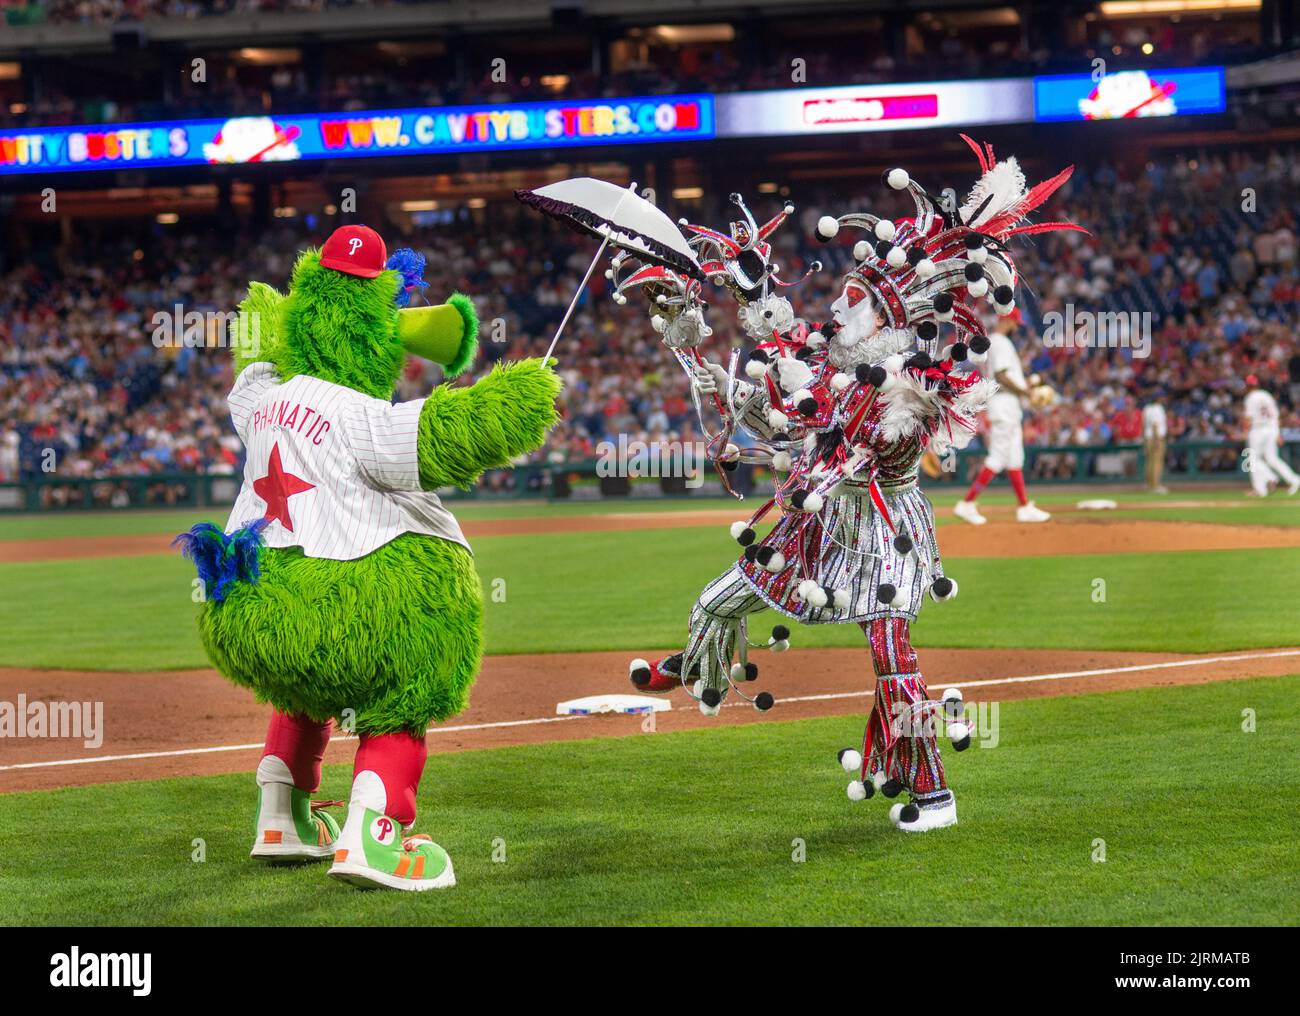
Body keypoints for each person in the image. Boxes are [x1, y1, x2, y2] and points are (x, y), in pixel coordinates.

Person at [621, 142, 1083, 832]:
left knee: (894, 661)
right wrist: (729, 315)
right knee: (718, 601)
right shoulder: (845, 358)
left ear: (887, 323)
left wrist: (753, 402)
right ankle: (700, 670)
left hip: (882, 536)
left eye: (855, 302)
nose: (840, 308)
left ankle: (934, 797)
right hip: (822, 524)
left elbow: (822, 440)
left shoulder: (905, 394)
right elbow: (788, 352)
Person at [177, 226, 562, 891]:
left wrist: (278, 320)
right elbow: (450, 434)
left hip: (248, 607)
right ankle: (373, 837)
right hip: (351, 608)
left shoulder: (258, 402)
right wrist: (525, 393)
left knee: (308, 690)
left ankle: (282, 817)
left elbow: (256, 359)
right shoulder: (364, 416)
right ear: (381, 333)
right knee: (402, 684)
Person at [953, 318, 1054, 524]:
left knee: (1014, 457)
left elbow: (1005, 377)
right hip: (1004, 404)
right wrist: (1026, 391)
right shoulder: (1000, 342)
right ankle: (967, 503)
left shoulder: (996, 342)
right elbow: (1001, 375)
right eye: (1015, 323)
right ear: (1007, 321)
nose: (1016, 327)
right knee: (998, 456)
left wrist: (1026, 386)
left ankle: (1024, 507)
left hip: (1008, 404)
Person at [1243, 375, 1299, 496]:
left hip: (1257, 429)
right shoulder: (1266, 395)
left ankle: (1262, 486)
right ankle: (1294, 479)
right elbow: (1275, 415)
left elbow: (1248, 418)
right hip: (1271, 428)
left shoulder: (1251, 397)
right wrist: (1278, 433)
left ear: (1248, 386)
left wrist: (1245, 431)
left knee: (1252, 459)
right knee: (1271, 458)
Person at [1142, 394, 1169, 493]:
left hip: (1148, 438)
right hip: (1155, 437)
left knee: (1150, 462)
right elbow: (1155, 424)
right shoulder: (1157, 408)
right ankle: (1155, 485)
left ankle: (1149, 485)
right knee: (1157, 462)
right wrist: (1157, 439)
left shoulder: (1147, 408)